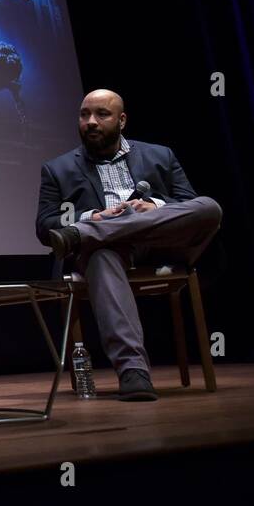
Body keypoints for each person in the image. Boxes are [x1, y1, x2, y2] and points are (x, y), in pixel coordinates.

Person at [36, 89, 222, 401]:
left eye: (102, 114)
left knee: (210, 208)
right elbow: (45, 227)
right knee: (101, 256)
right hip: (111, 250)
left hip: (163, 243)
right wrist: (93, 215)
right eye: (84, 115)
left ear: (122, 120)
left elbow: (188, 204)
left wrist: (157, 206)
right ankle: (133, 370)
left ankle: (86, 232)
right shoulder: (58, 169)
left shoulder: (160, 155)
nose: (91, 122)